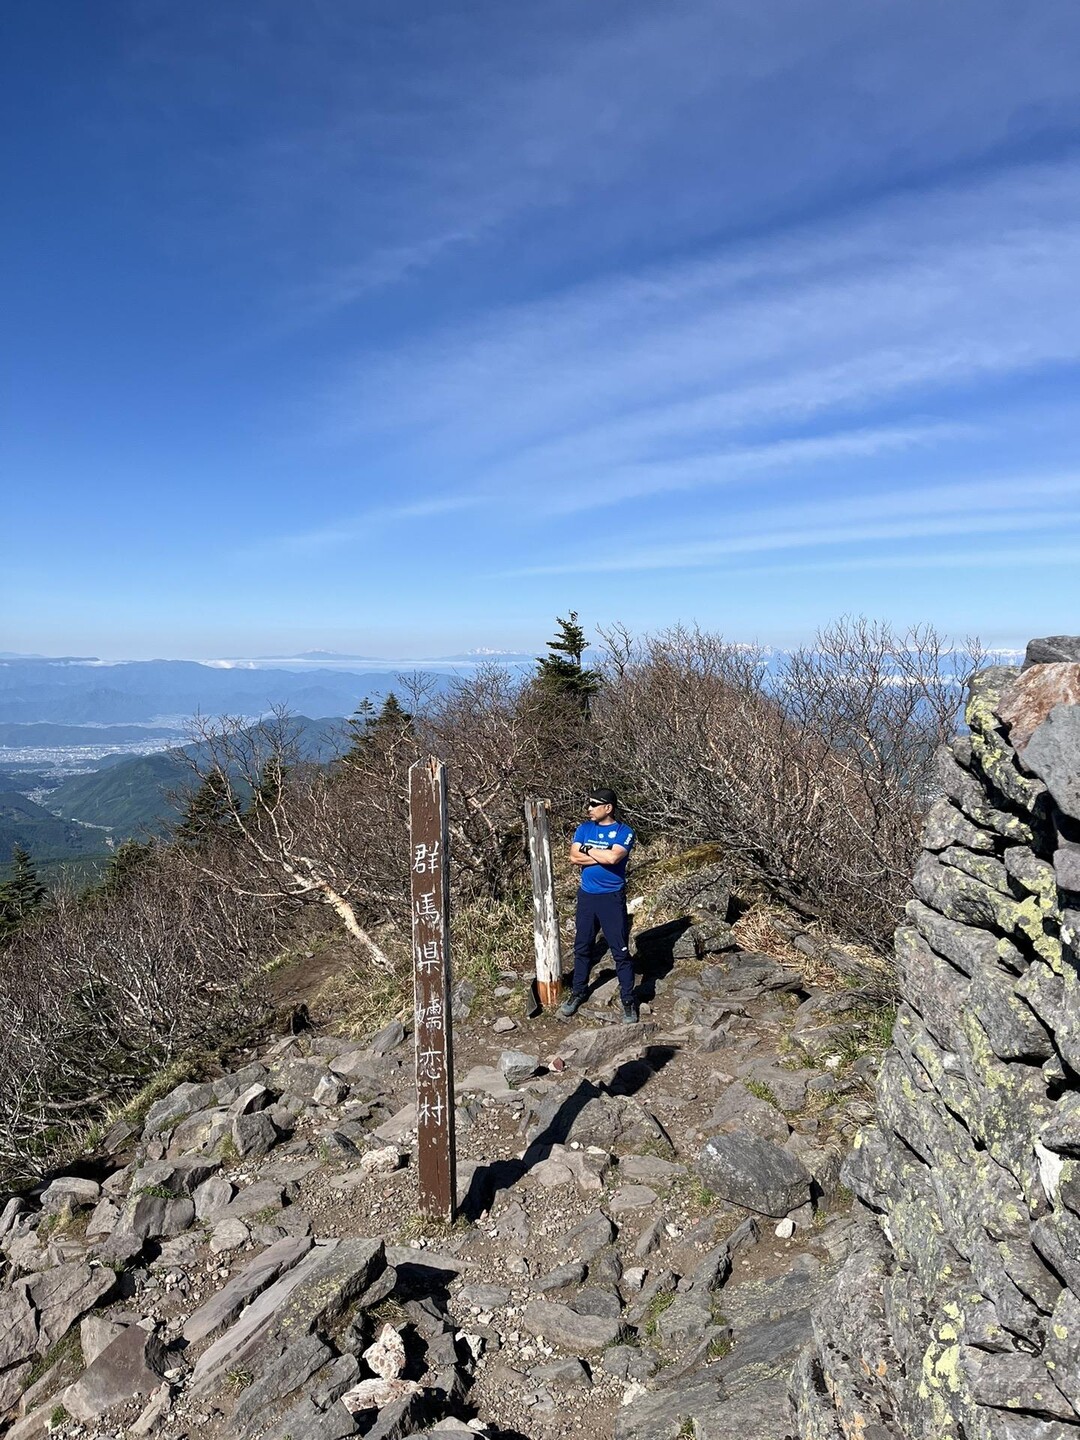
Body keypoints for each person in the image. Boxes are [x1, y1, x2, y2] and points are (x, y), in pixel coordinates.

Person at [559, 787, 638, 1023]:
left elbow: (615, 858)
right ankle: (578, 991)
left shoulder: (624, 831)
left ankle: (628, 1001)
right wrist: (600, 853)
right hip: (587, 896)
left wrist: (589, 851)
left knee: (620, 951)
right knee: (582, 946)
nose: (589, 809)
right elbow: (573, 857)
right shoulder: (584, 828)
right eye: (589, 804)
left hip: (611, 898)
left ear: (608, 808)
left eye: (594, 804)